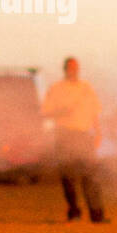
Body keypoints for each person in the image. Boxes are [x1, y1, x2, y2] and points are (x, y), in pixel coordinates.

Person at [42, 56, 106, 223]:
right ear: (65, 69)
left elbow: (95, 112)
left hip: (84, 135)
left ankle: (97, 214)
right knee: (68, 177)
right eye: (70, 67)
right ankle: (74, 212)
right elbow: (46, 112)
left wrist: (98, 133)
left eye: (75, 67)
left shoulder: (86, 88)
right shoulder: (56, 89)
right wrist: (62, 111)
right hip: (65, 135)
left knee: (91, 175)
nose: (73, 70)